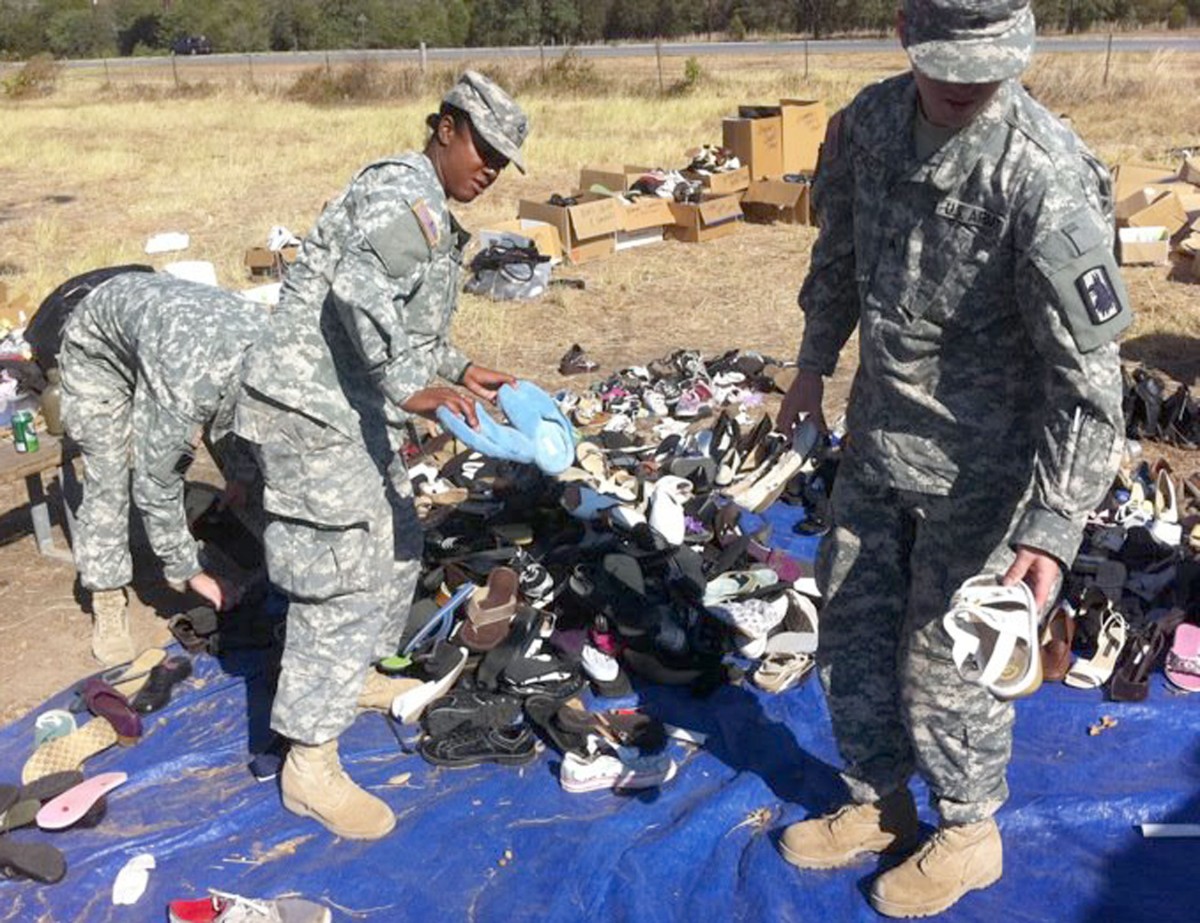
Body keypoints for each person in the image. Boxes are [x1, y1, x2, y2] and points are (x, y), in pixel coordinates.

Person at [774, 1, 1130, 917]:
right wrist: (812, 367)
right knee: (851, 623)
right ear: (904, 33)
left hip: (984, 466)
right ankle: (878, 800)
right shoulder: (870, 123)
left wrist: (1052, 527)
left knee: (947, 659)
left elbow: (1091, 379)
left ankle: (969, 832)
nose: (971, 83)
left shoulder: (1043, 174)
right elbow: (838, 250)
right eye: (950, 62)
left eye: (991, 63)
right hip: (881, 438)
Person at [234, 71, 528, 840]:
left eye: (502, 160)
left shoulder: (431, 208)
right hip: (310, 406)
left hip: (351, 402)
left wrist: (458, 369)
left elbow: (410, 322)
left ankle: (348, 674)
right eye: (484, 148)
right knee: (338, 573)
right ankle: (309, 762)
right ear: (446, 128)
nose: (489, 169)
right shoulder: (403, 195)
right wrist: (411, 386)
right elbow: (359, 294)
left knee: (398, 537)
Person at [59, 272, 265, 665]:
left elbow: (247, 419)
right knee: (109, 475)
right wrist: (190, 573)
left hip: (164, 335)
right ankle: (107, 598)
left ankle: (262, 554)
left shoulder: (275, 347)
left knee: (254, 453)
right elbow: (157, 481)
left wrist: (240, 473)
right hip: (99, 354)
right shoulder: (188, 385)